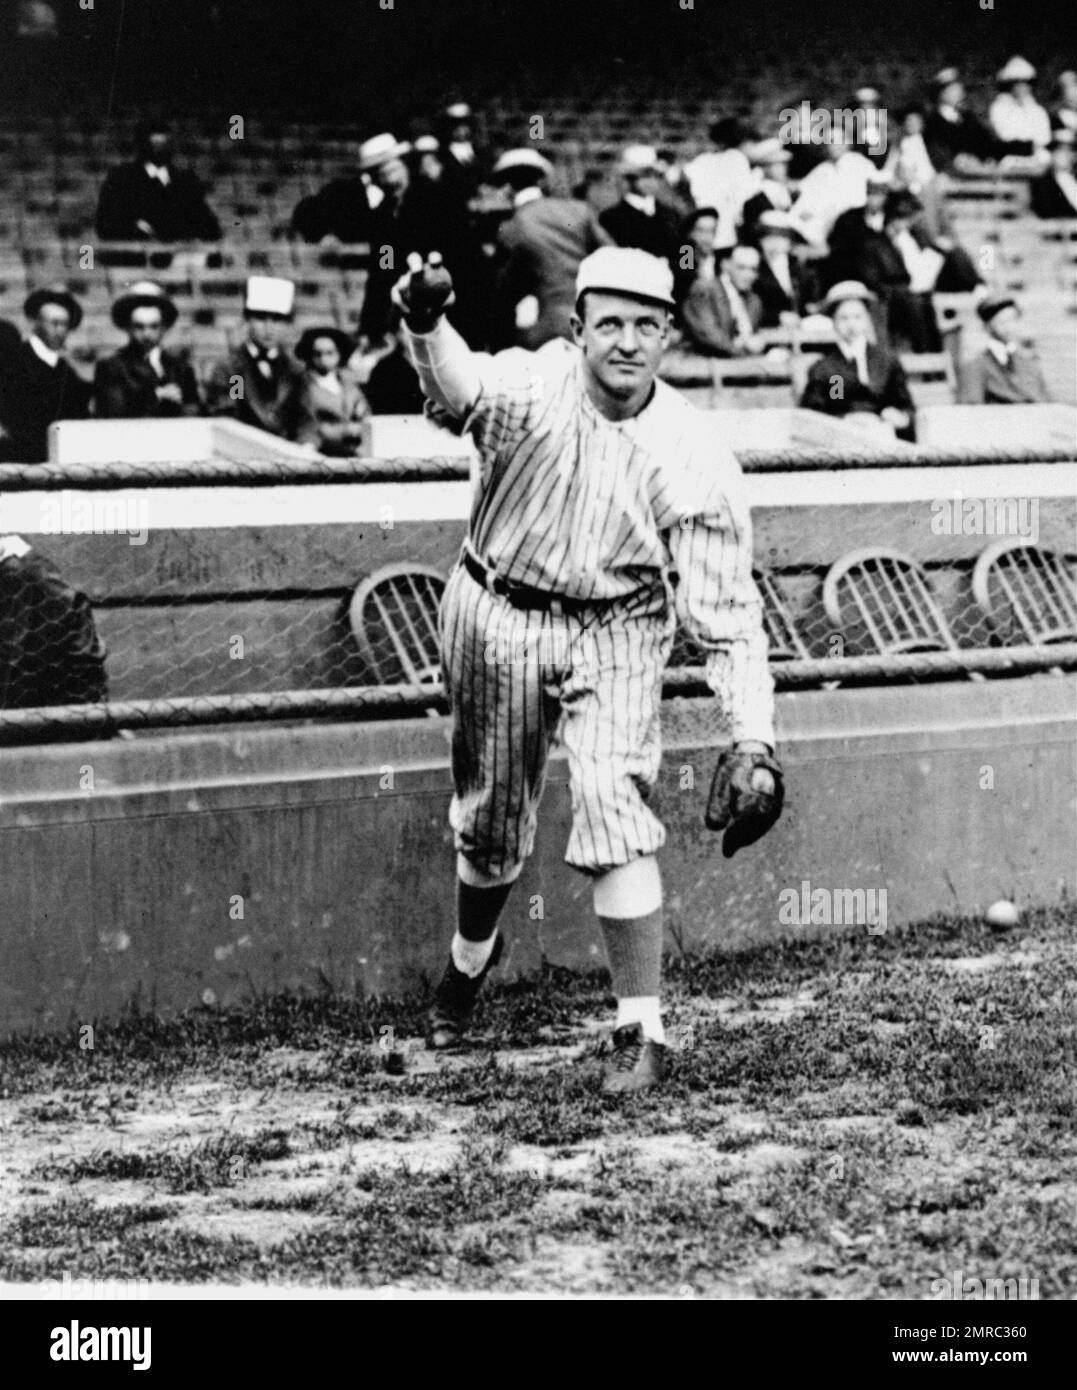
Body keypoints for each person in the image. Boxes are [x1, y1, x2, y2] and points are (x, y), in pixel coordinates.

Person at [393, 245, 782, 1091]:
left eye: (646, 324)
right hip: (495, 605)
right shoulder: (534, 383)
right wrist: (424, 321)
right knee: (492, 824)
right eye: (609, 322)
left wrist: (753, 738)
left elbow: (724, 610)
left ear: (669, 335)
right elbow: (456, 386)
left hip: (617, 625)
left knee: (614, 805)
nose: (627, 341)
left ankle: (640, 1033)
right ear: (577, 330)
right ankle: (466, 967)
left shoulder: (695, 451)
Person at [357, 133, 473, 348]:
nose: (389, 179)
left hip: (456, 302)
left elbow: (463, 255)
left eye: (392, 169)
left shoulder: (437, 198)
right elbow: (384, 269)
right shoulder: (383, 218)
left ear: (404, 165)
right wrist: (371, 326)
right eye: (380, 174)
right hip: (414, 311)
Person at [489, 148, 611, 350]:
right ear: (541, 181)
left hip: (547, 328)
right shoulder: (579, 209)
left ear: (507, 188)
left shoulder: (511, 228)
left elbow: (504, 296)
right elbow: (613, 256)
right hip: (597, 319)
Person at [0, 534, 108, 713]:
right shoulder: (18, 557)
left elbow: (10, 659)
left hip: (65, 716)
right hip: (52, 706)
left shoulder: (17, 571)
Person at [799, 281, 915, 440]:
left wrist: (901, 418)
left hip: (883, 432)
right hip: (842, 436)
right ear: (834, 322)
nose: (851, 325)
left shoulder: (886, 361)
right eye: (844, 318)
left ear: (867, 319)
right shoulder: (828, 369)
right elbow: (822, 409)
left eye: (857, 317)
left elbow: (905, 405)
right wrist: (845, 418)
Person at [0, 286, 91, 462]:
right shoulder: (13, 361)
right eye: (54, 323)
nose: (59, 330)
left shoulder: (67, 371)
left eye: (65, 324)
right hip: (19, 460)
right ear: (35, 322)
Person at [205, 276, 303, 436]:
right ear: (247, 320)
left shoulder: (295, 371)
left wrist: (306, 443)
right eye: (261, 318)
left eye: (277, 320)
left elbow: (305, 416)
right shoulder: (233, 370)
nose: (269, 328)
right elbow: (230, 410)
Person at [95, 121, 221, 243]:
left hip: (179, 255)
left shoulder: (185, 181)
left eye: (167, 144)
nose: (162, 149)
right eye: (155, 144)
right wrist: (138, 228)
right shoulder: (121, 178)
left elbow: (210, 228)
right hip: (135, 257)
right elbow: (105, 225)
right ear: (142, 146)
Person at [94, 282, 201, 419]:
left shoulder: (181, 367)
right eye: (139, 327)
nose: (147, 334)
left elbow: (194, 409)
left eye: (154, 326)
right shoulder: (111, 366)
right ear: (128, 328)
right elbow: (113, 411)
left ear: (164, 328)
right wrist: (156, 395)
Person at [790, 130, 876, 249]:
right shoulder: (824, 168)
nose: (832, 146)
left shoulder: (859, 163)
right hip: (825, 221)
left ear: (847, 143)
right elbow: (803, 189)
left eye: (835, 141)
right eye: (829, 142)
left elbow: (874, 185)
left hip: (852, 221)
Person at [957, 294, 1050, 405]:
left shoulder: (1029, 361)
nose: (1009, 327)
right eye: (1002, 322)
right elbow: (970, 408)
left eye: (1013, 320)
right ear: (987, 326)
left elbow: (1045, 402)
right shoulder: (975, 365)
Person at [289, 327, 369, 455]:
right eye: (318, 354)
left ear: (339, 354)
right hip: (319, 449)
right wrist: (342, 430)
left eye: (329, 353)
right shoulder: (303, 386)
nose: (323, 359)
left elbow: (363, 414)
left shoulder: (348, 386)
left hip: (351, 450)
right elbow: (308, 424)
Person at [599, 145, 682, 267]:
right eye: (645, 176)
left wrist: (687, 270)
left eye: (656, 176)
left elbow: (686, 246)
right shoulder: (612, 217)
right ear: (630, 179)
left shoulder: (671, 214)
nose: (652, 181)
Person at [684, 117, 758, 253]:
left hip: (699, 228)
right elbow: (745, 196)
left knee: (690, 262)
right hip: (724, 229)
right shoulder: (737, 159)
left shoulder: (701, 160)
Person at [680, 243, 765, 356]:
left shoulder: (754, 301)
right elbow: (708, 334)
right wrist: (743, 351)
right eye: (742, 267)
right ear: (726, 265)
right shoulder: (705, 290)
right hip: (700, 362)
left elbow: (749, 336)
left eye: (753, 269)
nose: (748, 275)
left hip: (738, 364)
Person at [924, 68, 998, 173]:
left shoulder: (968, 118)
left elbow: (986, 143)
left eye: (959, 88)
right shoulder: (933, 123)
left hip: (978, 174)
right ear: (941, 93)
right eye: (953, 88)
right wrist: (958, 161)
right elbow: (937, 155)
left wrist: (989, 158)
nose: (960, 92)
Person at [751, 212, 812, 327]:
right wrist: (777, 317)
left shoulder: (800, 269)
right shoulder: (754, 267)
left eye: (781, 236)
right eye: (768, 236)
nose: (774, 242)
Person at [989, 57, 1052, 159]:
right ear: (1010, 85)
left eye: (1026, 83)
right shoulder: (999, 108)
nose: (1023, 87)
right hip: (1010, 157)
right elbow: (1005, 136)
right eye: (1018, 83)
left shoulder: (1037, 110)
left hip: (1038, 157)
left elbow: (1045, 137)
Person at [740, 138, 794, 235]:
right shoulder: (754, 199)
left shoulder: (786, 193)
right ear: (765, 167)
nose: (783, 169)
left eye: (784, 164)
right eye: (777, 165)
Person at [1031, 132, 1077, 219]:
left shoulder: (1074, 178)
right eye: (1061, 150)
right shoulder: (1042, 184)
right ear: (1052, 154)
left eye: (1071, 150)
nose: (1067, 155)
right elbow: (1046, 214)